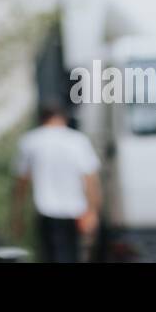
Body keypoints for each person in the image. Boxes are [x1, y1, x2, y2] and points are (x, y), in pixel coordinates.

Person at [12, 101, 102, 262]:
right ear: (64, 118)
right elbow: (90, 179)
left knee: (50, 256)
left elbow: (22, 182)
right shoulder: (78, 140)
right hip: (75, 211)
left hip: (46, 211)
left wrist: (17, 215)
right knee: (71, 256)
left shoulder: (30, 141)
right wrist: (92, 211)